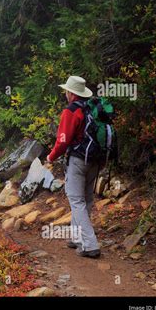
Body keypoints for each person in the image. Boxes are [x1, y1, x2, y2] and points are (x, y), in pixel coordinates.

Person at [45, 76, 101, 258]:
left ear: (71, 93)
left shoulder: (71, 111)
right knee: (86, 199)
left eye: (66, 91)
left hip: (78, 160)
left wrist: (51, 157)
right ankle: (78, 237)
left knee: (76, 200)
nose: (65, 94)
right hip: (95, 159)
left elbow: (62, 142)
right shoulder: (92, 109)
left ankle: (90, 245)